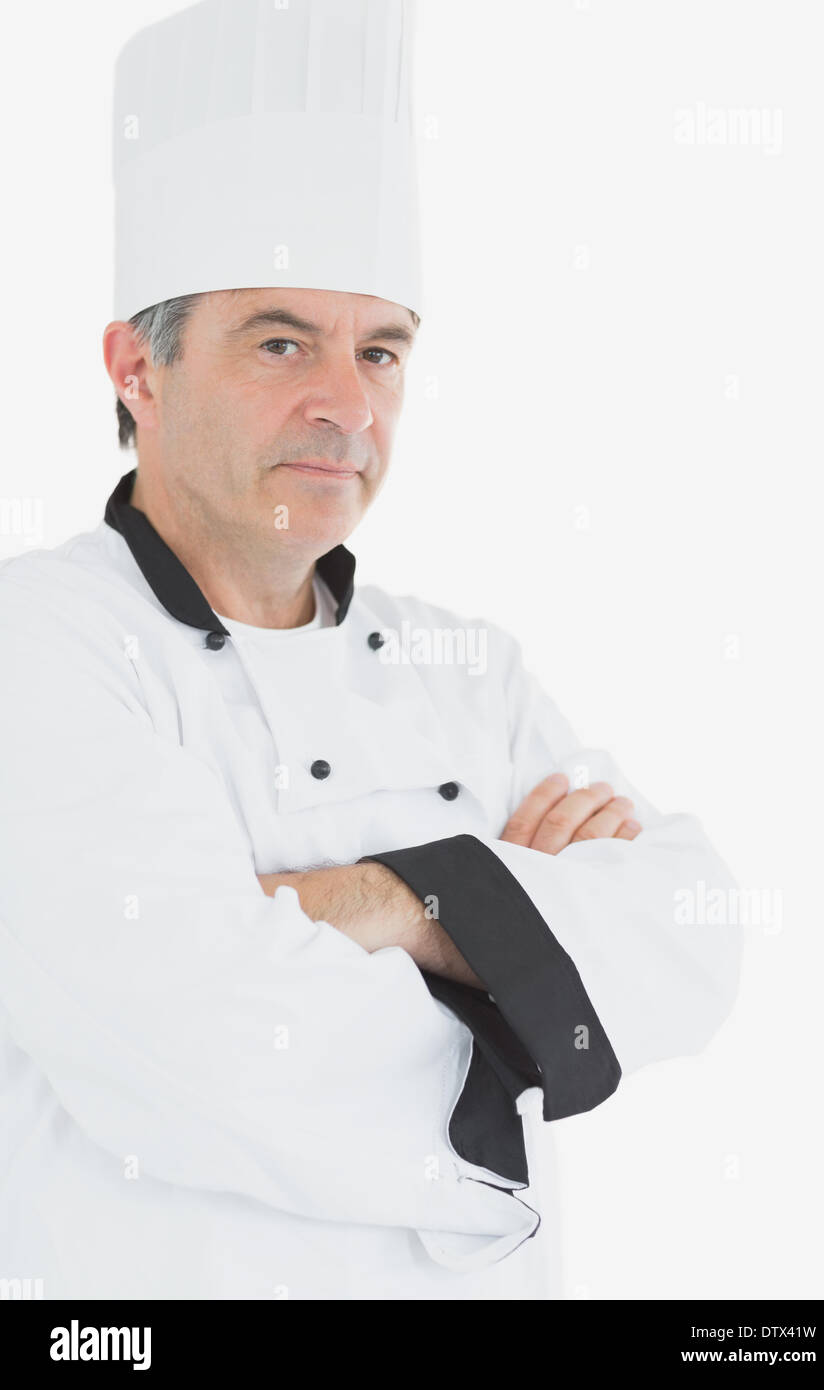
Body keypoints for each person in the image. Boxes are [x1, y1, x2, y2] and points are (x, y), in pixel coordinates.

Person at [0, 0, 742, 1300]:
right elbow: (203, 1047)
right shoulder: (41, 645)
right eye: (280, 340)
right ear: (137, 368)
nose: (343, 404)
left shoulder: (469, 665)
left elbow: (694, 933)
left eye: (380, 350)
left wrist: (386, 898)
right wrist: (515, 932)